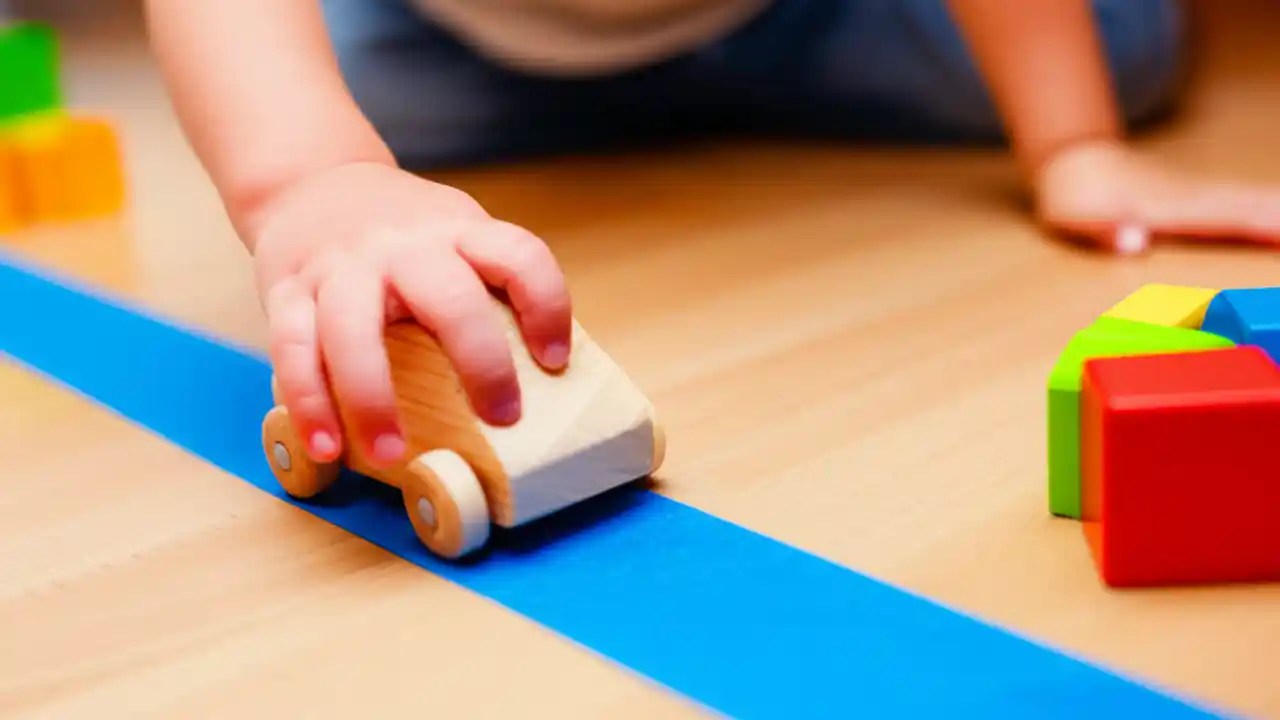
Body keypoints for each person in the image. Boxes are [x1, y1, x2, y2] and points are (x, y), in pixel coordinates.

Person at [143, 0, 1280, 469]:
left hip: (802, 15)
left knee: (1120, 55)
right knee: (298, 85)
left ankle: (711, 87)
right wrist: (315, 175)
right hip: (449, 41)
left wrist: (1068, 140)